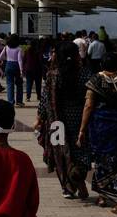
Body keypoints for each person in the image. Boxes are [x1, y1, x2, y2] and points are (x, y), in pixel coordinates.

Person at [77, 48, 117, 217]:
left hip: (100, 128)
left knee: (101, 160)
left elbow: (88, 106)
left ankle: (103, 197)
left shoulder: (95, 80)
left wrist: (82, 129)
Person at [36, 41, 91, 200]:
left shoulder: (52, 75)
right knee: (80, 153)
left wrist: (39, 118)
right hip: (80, 120)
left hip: (56, 122)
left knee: (60, 152)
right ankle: (79, 181)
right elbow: (91, 99)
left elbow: (45, 100)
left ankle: (67, 187)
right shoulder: (85, 73)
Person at [22, 37, 45, 104]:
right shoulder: (39, 51)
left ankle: (28, 97)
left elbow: (24, 60)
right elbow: (41, 61)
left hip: (28, 69)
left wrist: (23, 69)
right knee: (38, 84)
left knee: (29, 83)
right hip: (37, 70)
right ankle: (39, 96)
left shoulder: (27, 51)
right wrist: (43, 70)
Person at [2, 34, 24, 107]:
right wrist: (21, 70)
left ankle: (10, 101)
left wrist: (6, 59)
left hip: (8, 65)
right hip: (16, 66)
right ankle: (19, 101)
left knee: (10, 85)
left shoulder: (6, 47)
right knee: (19, 85)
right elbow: (20, 60)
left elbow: (0, 56)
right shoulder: (19, 49)